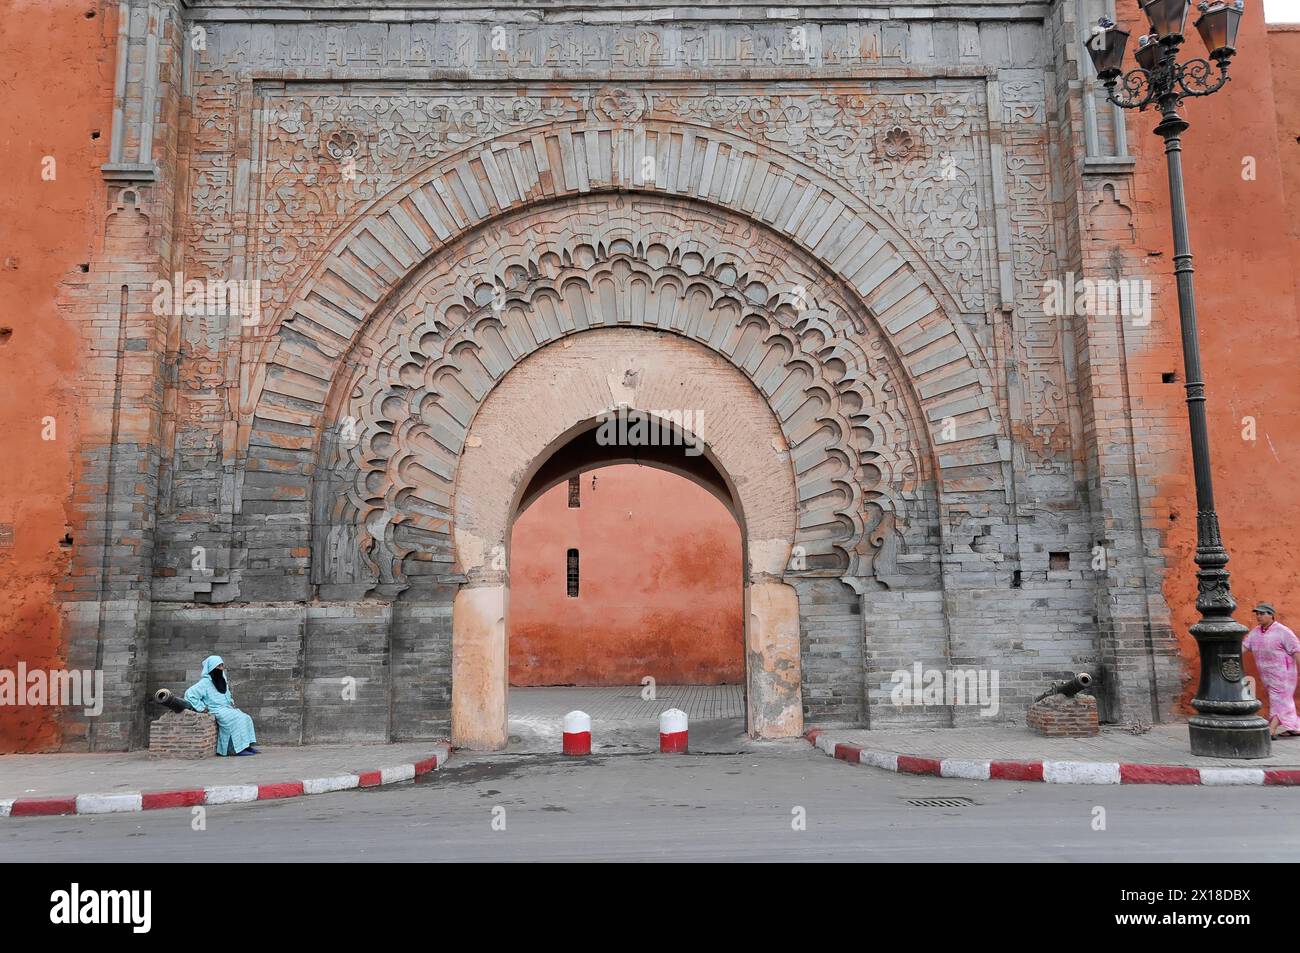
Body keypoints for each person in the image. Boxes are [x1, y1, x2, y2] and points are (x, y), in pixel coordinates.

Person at [1242, 603, 1300, 740]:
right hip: (1267, 676)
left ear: (1271, 615)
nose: (1258, 616)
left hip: (1284, 675)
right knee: (1285, 701)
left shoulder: (1282, 631)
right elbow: (1244, 646)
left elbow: (1296, 650)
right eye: (1257, 614)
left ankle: (1271, 730)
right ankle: (1295, 728)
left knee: (1279, 700)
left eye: (1262, 614)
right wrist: (1229, 656)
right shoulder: (1255, 632)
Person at [184, 655, 259, 755]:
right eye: (218, 666)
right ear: (212, 668)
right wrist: (201, 708)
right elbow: (190, 694)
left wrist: (231, 702)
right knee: (238, 719)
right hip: (215, 709)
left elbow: (227, 694)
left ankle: (246, 745)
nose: (221, 668)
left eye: (222, 665)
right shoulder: (205, 682)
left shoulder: (222, 680)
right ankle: (236, 749)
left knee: (246, 718)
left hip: (226, 708)